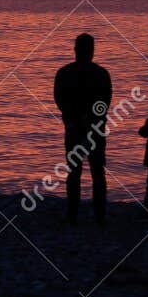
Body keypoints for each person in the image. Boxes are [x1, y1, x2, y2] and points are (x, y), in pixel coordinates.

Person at [53, 32, 112, 223]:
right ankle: (100, 217)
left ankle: (72, 215)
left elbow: (59, 100)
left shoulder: (64, 73)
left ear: (75, 49)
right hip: (93, 128)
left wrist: (73, 119)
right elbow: (105, 102)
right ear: (92, 50)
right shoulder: (101, 74)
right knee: (97, 172)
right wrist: (91, 118)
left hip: (74, 128)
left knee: (74, 171)